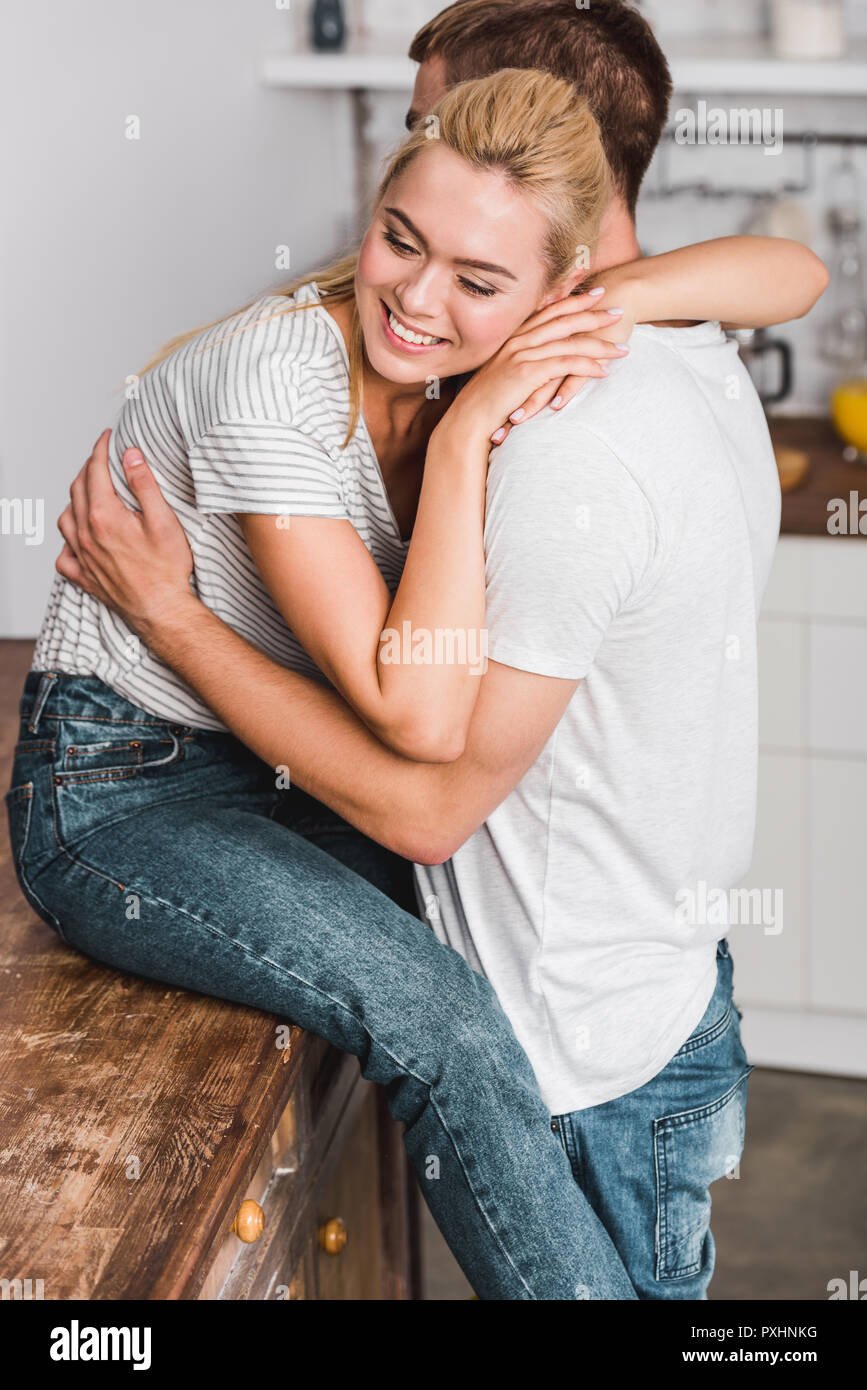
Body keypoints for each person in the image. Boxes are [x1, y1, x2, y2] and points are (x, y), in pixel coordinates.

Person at [10, 45, 826, 1304]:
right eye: (401, 239)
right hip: (127, 790)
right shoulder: (280, 382)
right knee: (444, 1026)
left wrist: (555, 342)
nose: (421, 299)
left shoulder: (491, 343)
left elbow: (794, 271)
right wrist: (462, 448)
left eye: (479, 278)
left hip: (286, 760)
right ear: (378, 207)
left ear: (563, 291)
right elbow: (418, 712)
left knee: (519, 944)